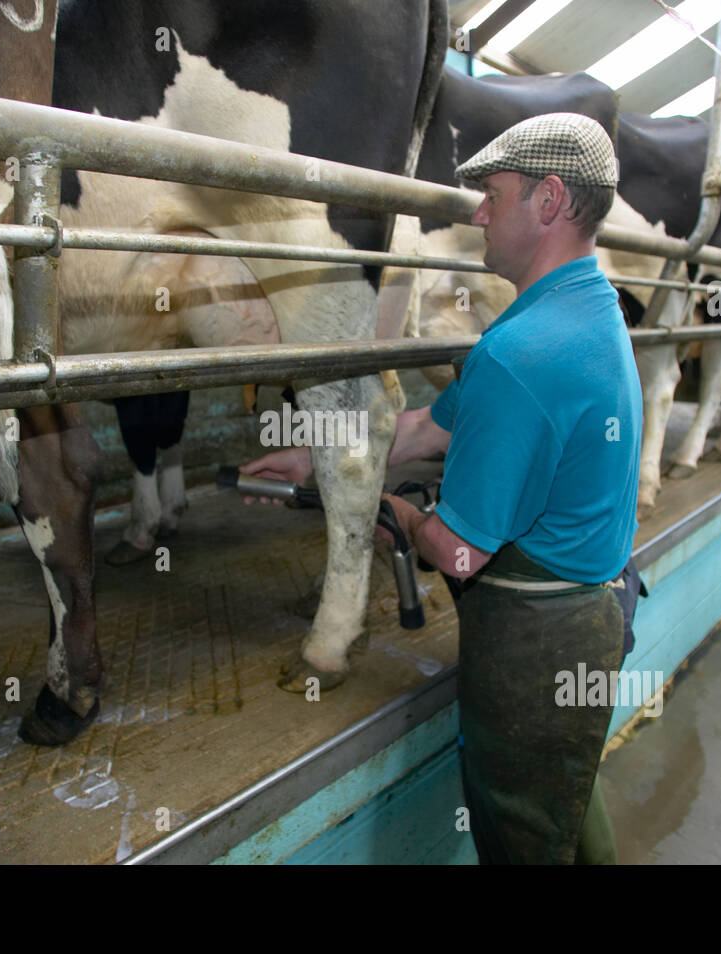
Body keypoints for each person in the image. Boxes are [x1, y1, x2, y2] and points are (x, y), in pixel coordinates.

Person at [240, 113, 642, 864]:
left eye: (493, 194)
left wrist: (400, 514)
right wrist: (320, 456)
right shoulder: (586, 306)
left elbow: (459, 557)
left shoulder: (519, 353)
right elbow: (427, 430)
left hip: (538, 645)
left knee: (518, 831)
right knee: (568, 806)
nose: (478, 213)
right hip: (598, 606)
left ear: (549, 200)